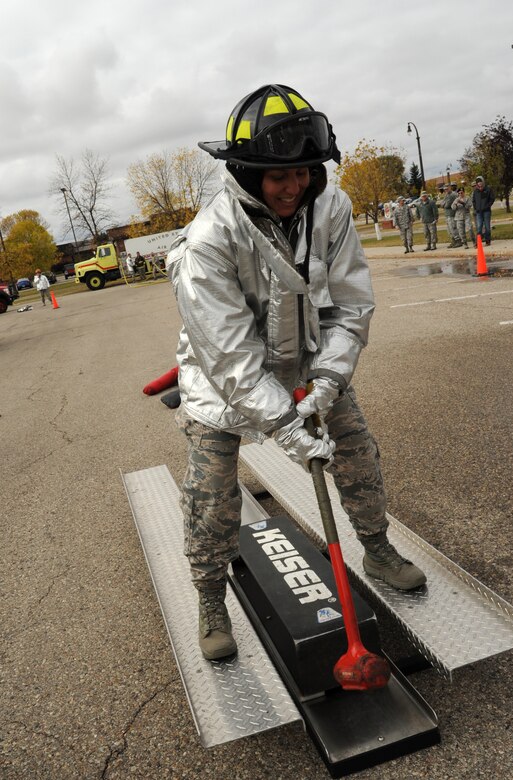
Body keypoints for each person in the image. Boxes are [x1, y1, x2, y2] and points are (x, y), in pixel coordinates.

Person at [167, 84, 427, 661]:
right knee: (212, 496)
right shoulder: (209, 239)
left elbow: (350, 305)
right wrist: (285, 426)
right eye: (279, 176)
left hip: (308, 363)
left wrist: (329, 380)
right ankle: (211, 597)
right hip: (223, 380)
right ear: (247, 171)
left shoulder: (332, 209)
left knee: (356, 449)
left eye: (305, 171)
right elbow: (230, 355)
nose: (294, 187)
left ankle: (378, 551)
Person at [472, 176, 495, 245]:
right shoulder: (475, 191)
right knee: (479, 227)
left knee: (487, 227)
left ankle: (488, 241)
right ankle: (478, 242)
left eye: (480, 181)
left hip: (486, 211)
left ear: (483, 181)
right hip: (479, 212)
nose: (480, 183)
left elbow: (492, 199)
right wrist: (476, 208)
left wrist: (487, 206)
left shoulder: (488, 189)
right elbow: (474, 201)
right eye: (478, 182)